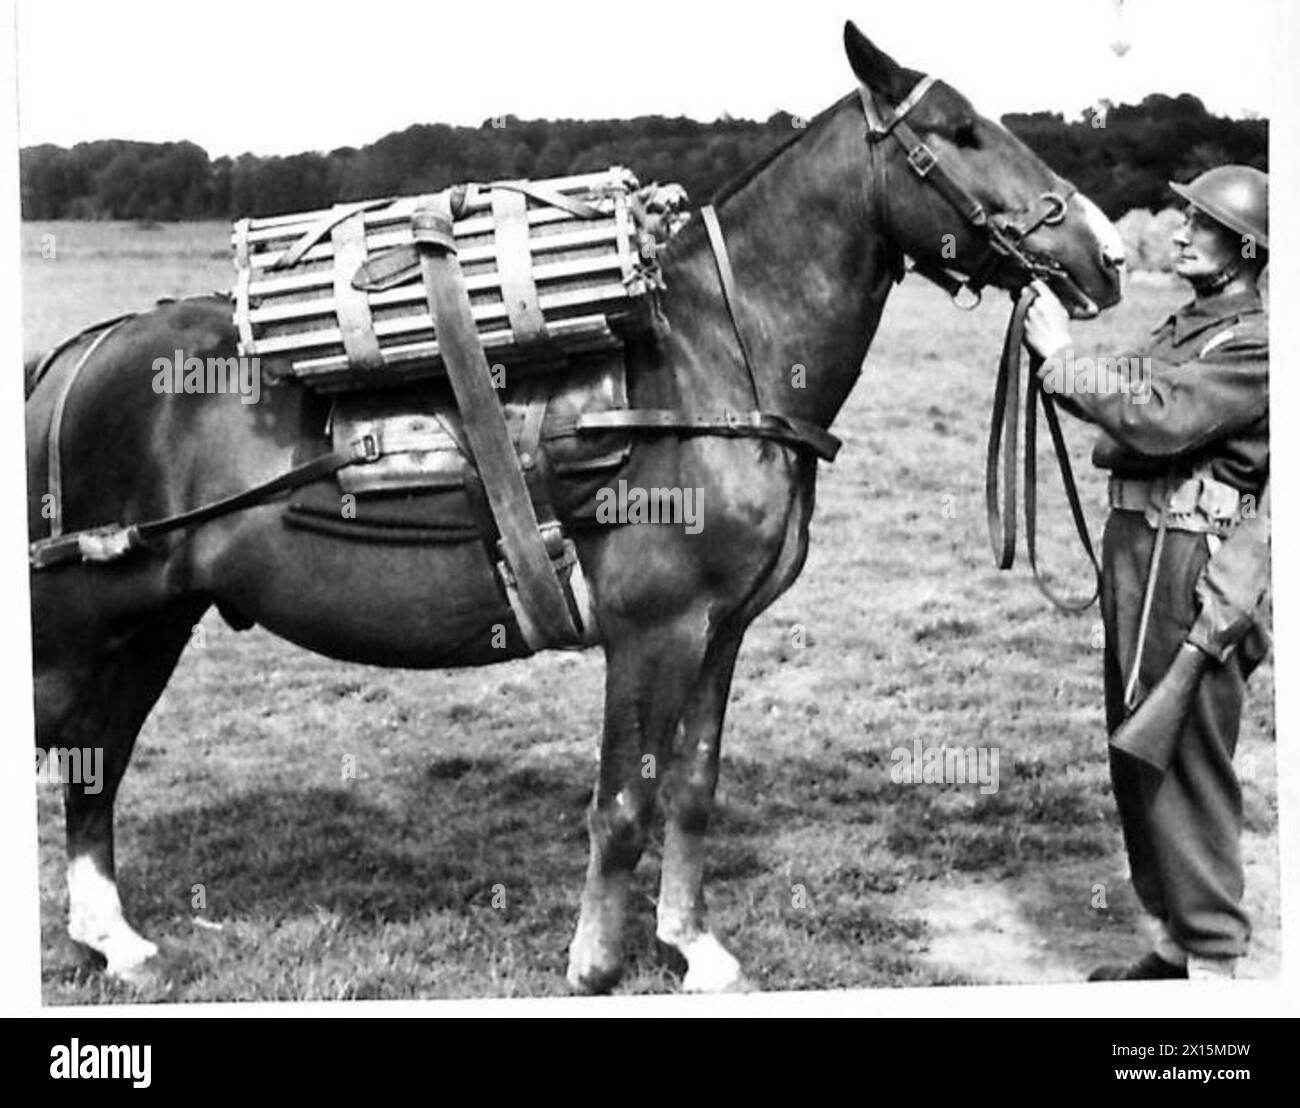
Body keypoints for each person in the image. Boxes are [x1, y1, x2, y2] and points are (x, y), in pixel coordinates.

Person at [1022, 165, 1270, 981]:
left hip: (1194, 563)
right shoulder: (1186, 329)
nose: (1179, 231)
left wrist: (1066, 362)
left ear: (1246, 250)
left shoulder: (1259, 343)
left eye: (1203, 224)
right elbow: (1126, 407)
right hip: (1139, 549)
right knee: (1135, 747)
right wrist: (1064, 353)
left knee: (1186, 758)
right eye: (1184, 217)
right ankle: (1172, 940)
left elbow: (1159, 417)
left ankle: (1213, 962)